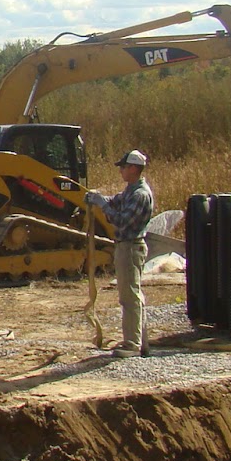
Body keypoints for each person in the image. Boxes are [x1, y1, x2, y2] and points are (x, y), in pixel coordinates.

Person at [85, 149, 154, 357]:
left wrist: (101, 205)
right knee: (132, 294)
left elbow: (121, 219)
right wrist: (98, 198)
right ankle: (140, 341)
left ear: (133, 168)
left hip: (131, 247)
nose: (121, 171)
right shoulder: (131, 190)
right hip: (126, 246)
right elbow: (115, 201)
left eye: (123, 167)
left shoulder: (140, 195)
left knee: (130, 296)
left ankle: (132, 344)